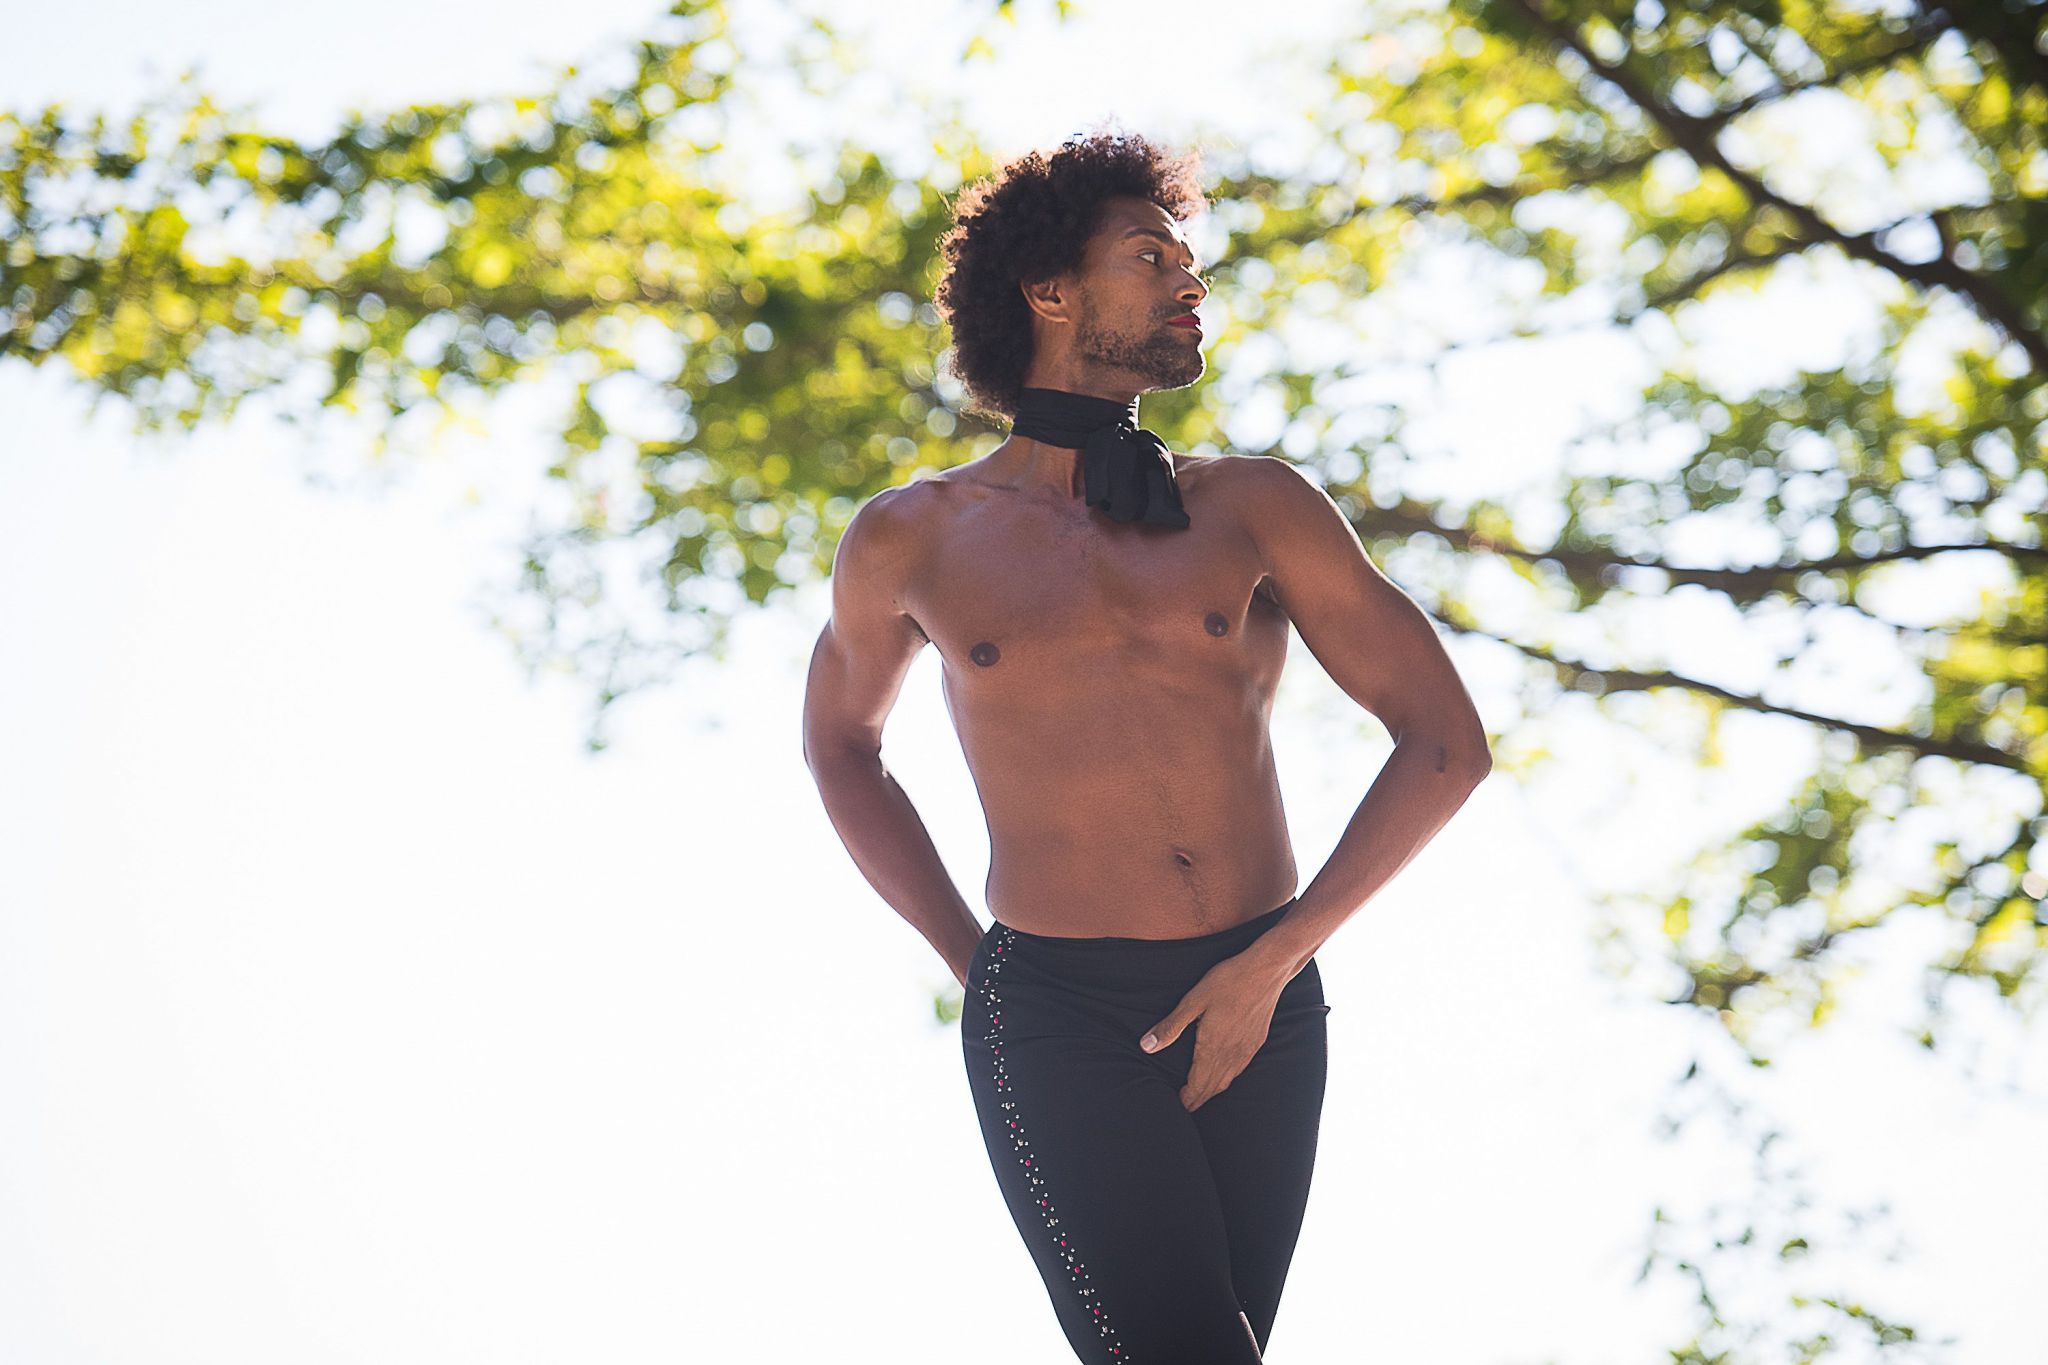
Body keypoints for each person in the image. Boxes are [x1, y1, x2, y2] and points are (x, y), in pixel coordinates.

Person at [800, 127, 1492, 1363]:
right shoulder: (912, 538)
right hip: (1056, 1013)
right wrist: (978, 966)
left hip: (1263, 996)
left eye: (1189, 260)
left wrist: (1271, 964)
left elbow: (1444, 744)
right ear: (1048, 289)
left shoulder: (1251, 506)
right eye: (1151, 255)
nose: (1191, 280)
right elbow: (842, 746)